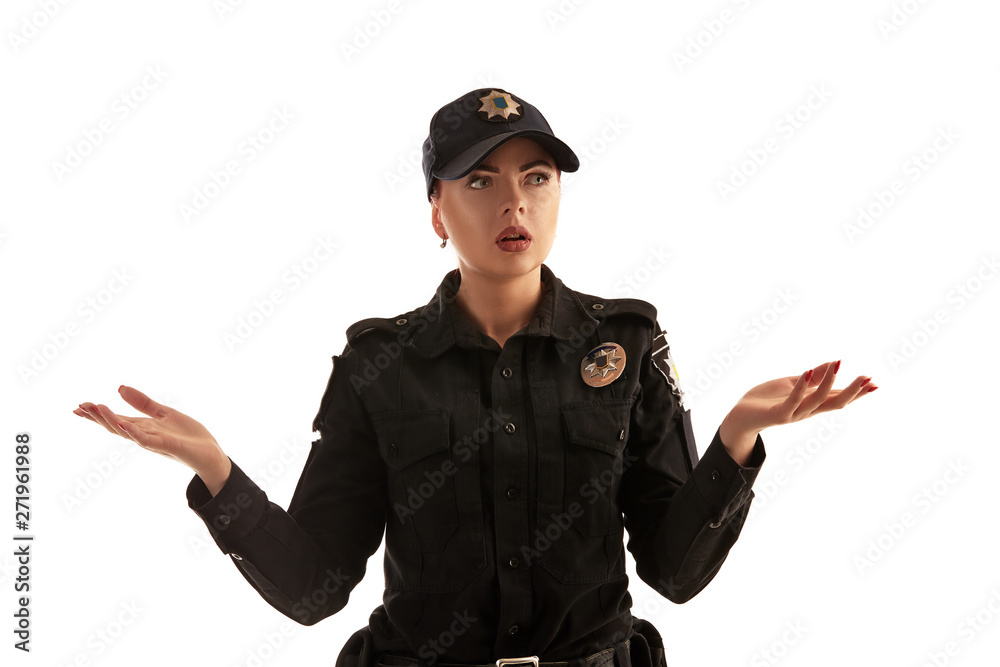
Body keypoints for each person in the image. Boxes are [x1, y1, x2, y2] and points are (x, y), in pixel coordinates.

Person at [74, 88, 877, 667]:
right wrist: (217, 472)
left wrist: (738, 438)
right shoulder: (377, 365)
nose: (513, 203)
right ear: (436, 210)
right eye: (481, 181)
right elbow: (317, 587)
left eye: (536, 177)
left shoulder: (626, 346)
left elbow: (672, 571)